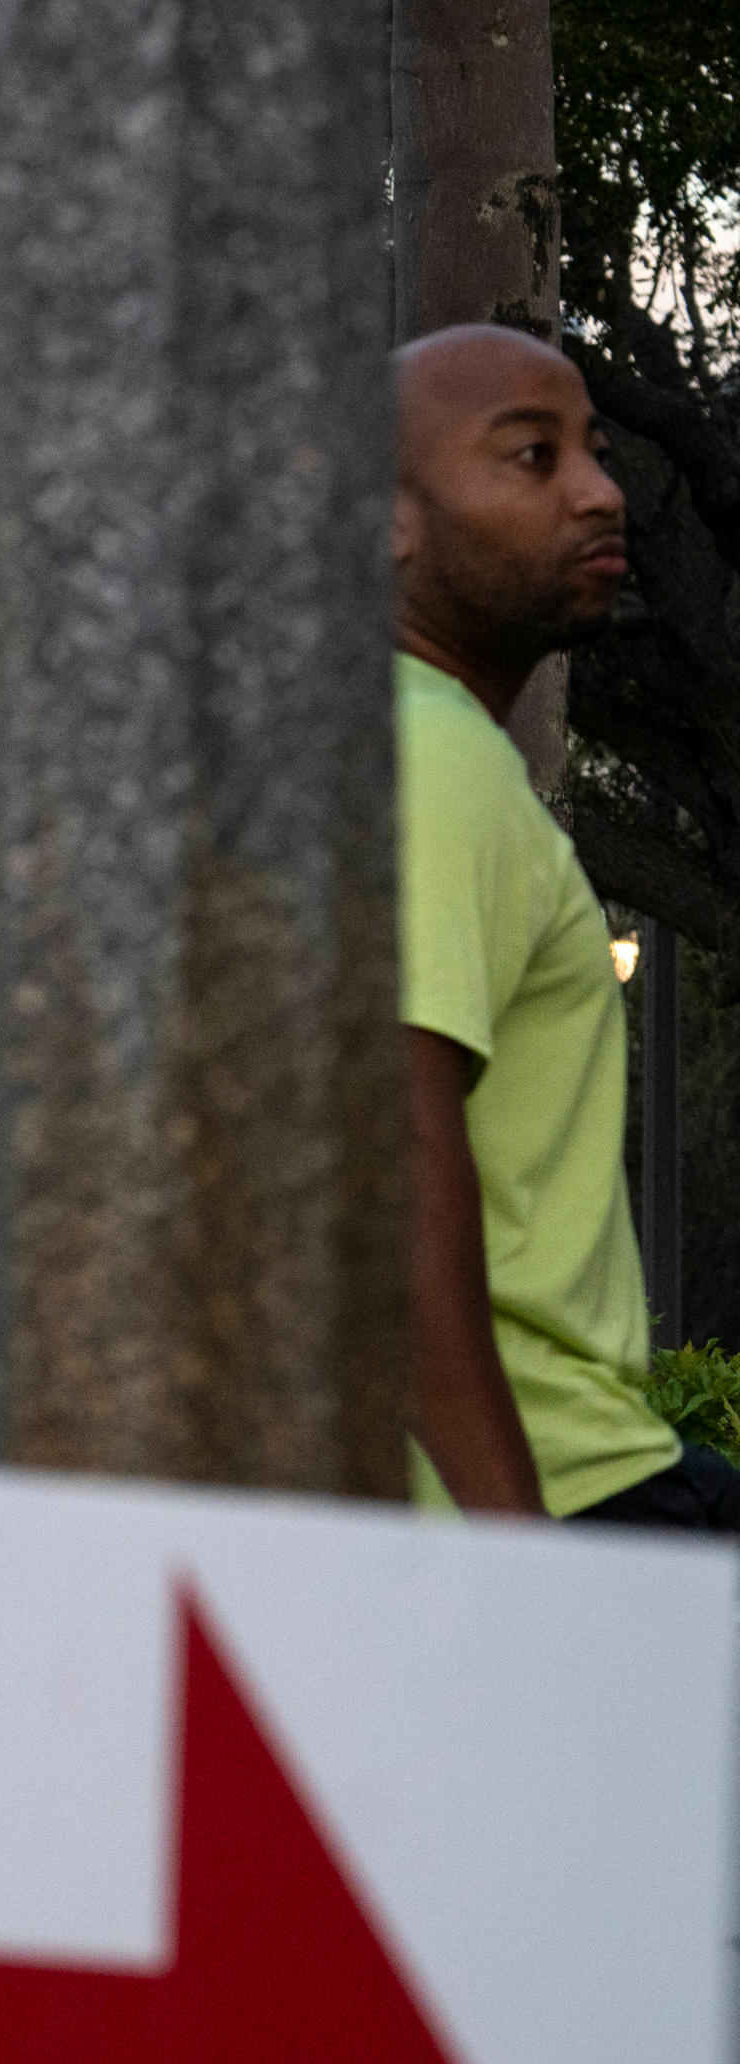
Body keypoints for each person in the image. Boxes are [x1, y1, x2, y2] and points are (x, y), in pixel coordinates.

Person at [392, 324, 705, 1524]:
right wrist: (514, 1561)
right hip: (552, 1489)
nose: (596, 490)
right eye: (530, 457)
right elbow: (386, 1148)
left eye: (591, 447)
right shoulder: (424, 759)